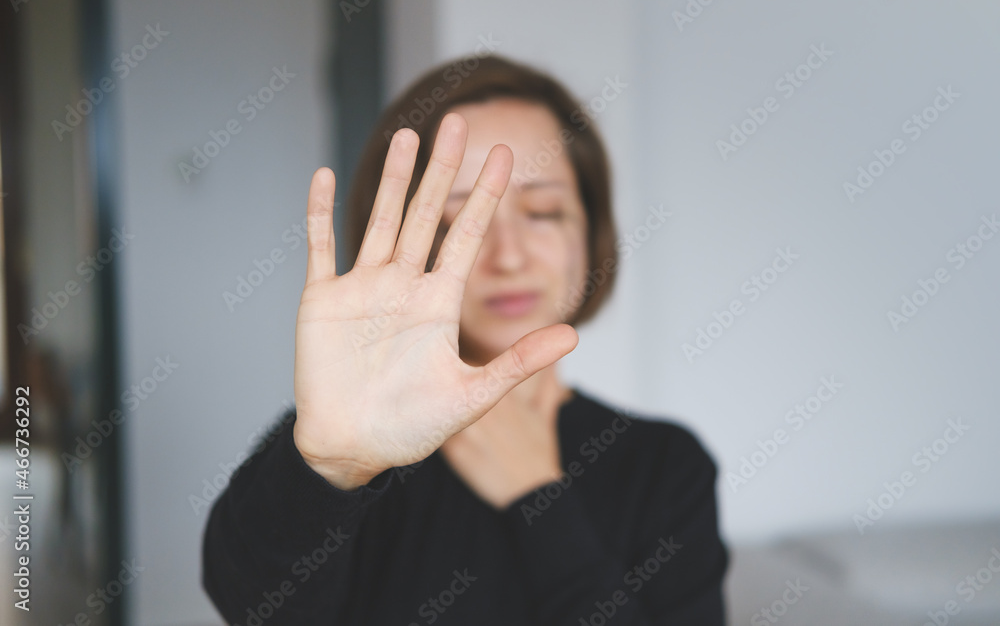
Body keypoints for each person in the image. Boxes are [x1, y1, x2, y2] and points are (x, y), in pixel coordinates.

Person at [201, 55, 728, 625]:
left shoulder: (664, 465)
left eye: (543, 212)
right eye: (458, 223)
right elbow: (253, 607)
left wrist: (536, 496)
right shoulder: (351, 441)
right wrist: (329, 471)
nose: (509, 257)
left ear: (591, 229)